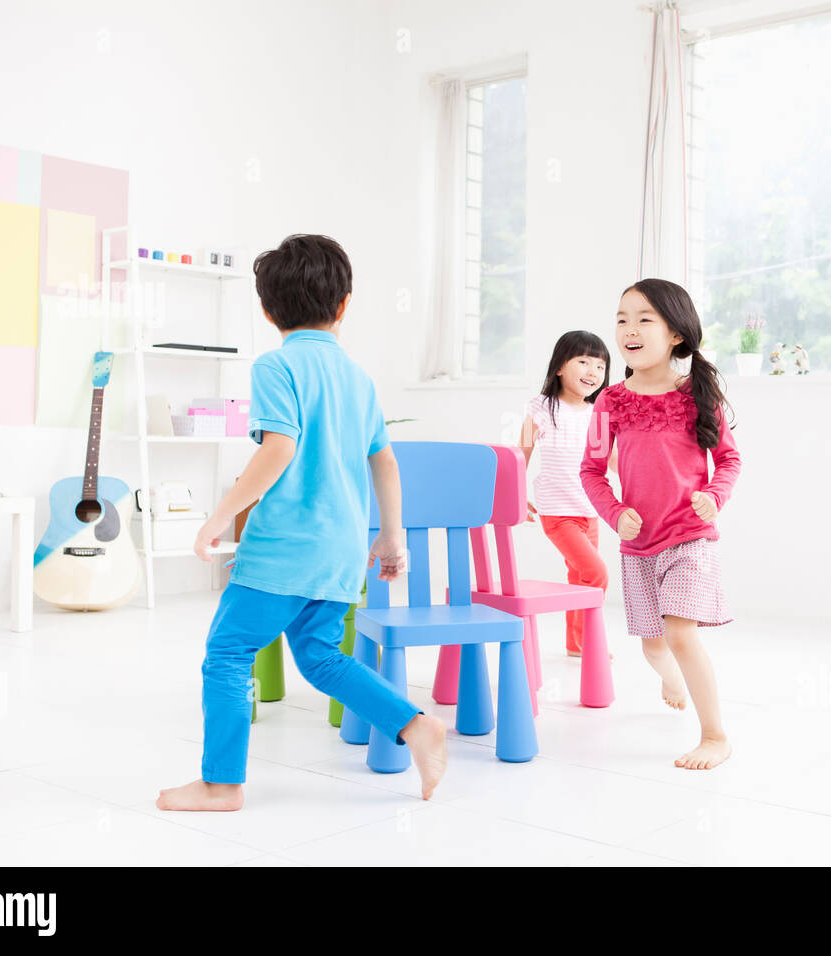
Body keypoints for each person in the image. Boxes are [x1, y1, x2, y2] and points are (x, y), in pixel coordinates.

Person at [157, 234, 446, 810]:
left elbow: (278, 449)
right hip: (341, 547)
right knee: (320, 657)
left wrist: (219, 515)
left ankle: (221, 784)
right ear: (343, 306)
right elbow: (383, 461)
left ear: (267, 311)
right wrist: (391, 538)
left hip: (286, 545)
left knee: (229, 653)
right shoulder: (357, 379)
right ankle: (416, 726)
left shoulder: (276, 366)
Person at [580, 278, 741, 771]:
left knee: (680, 633)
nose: (629, 329)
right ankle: (670, 678)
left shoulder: (696, 394)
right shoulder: (609, 403)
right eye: (622, 318)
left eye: (644, 318)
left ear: (675, 333)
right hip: (639, 545)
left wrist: (713, 497)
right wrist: (614, 512)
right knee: (655, 644)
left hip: (690, 537)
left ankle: (715, 736)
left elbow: (729, 461)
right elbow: (590, 470)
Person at [518, 331, 614, 656]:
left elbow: (609, 459)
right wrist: (514, 495)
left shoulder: (597, 413)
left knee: (581, 578)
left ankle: (577, 644)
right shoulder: (544, 408)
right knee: (596, 572)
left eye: (599, 366)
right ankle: (591, 643)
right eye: (584, 362)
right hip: (558, 513)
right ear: (560, 366)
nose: (592, 372)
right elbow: (522, 456)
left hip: (590, 511)